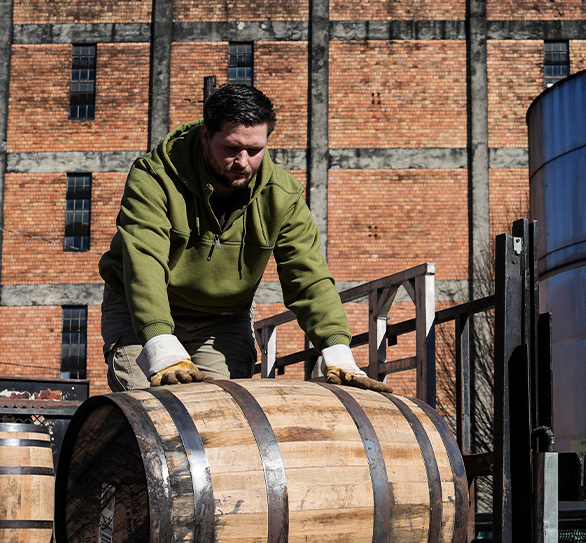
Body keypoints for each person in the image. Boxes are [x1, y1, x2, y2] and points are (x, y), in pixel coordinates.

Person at [98, 83, 387, 393]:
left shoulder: (283, 195)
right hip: (140, 311)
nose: (243, 161)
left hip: (221, 321)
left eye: (255, 150)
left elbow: (308, 276)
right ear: (206, 136)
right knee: (149, 405)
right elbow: (145, 263)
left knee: (222, 408)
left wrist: (338, 353)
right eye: (231, 148)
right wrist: (160, 345)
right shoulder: (153, 178)